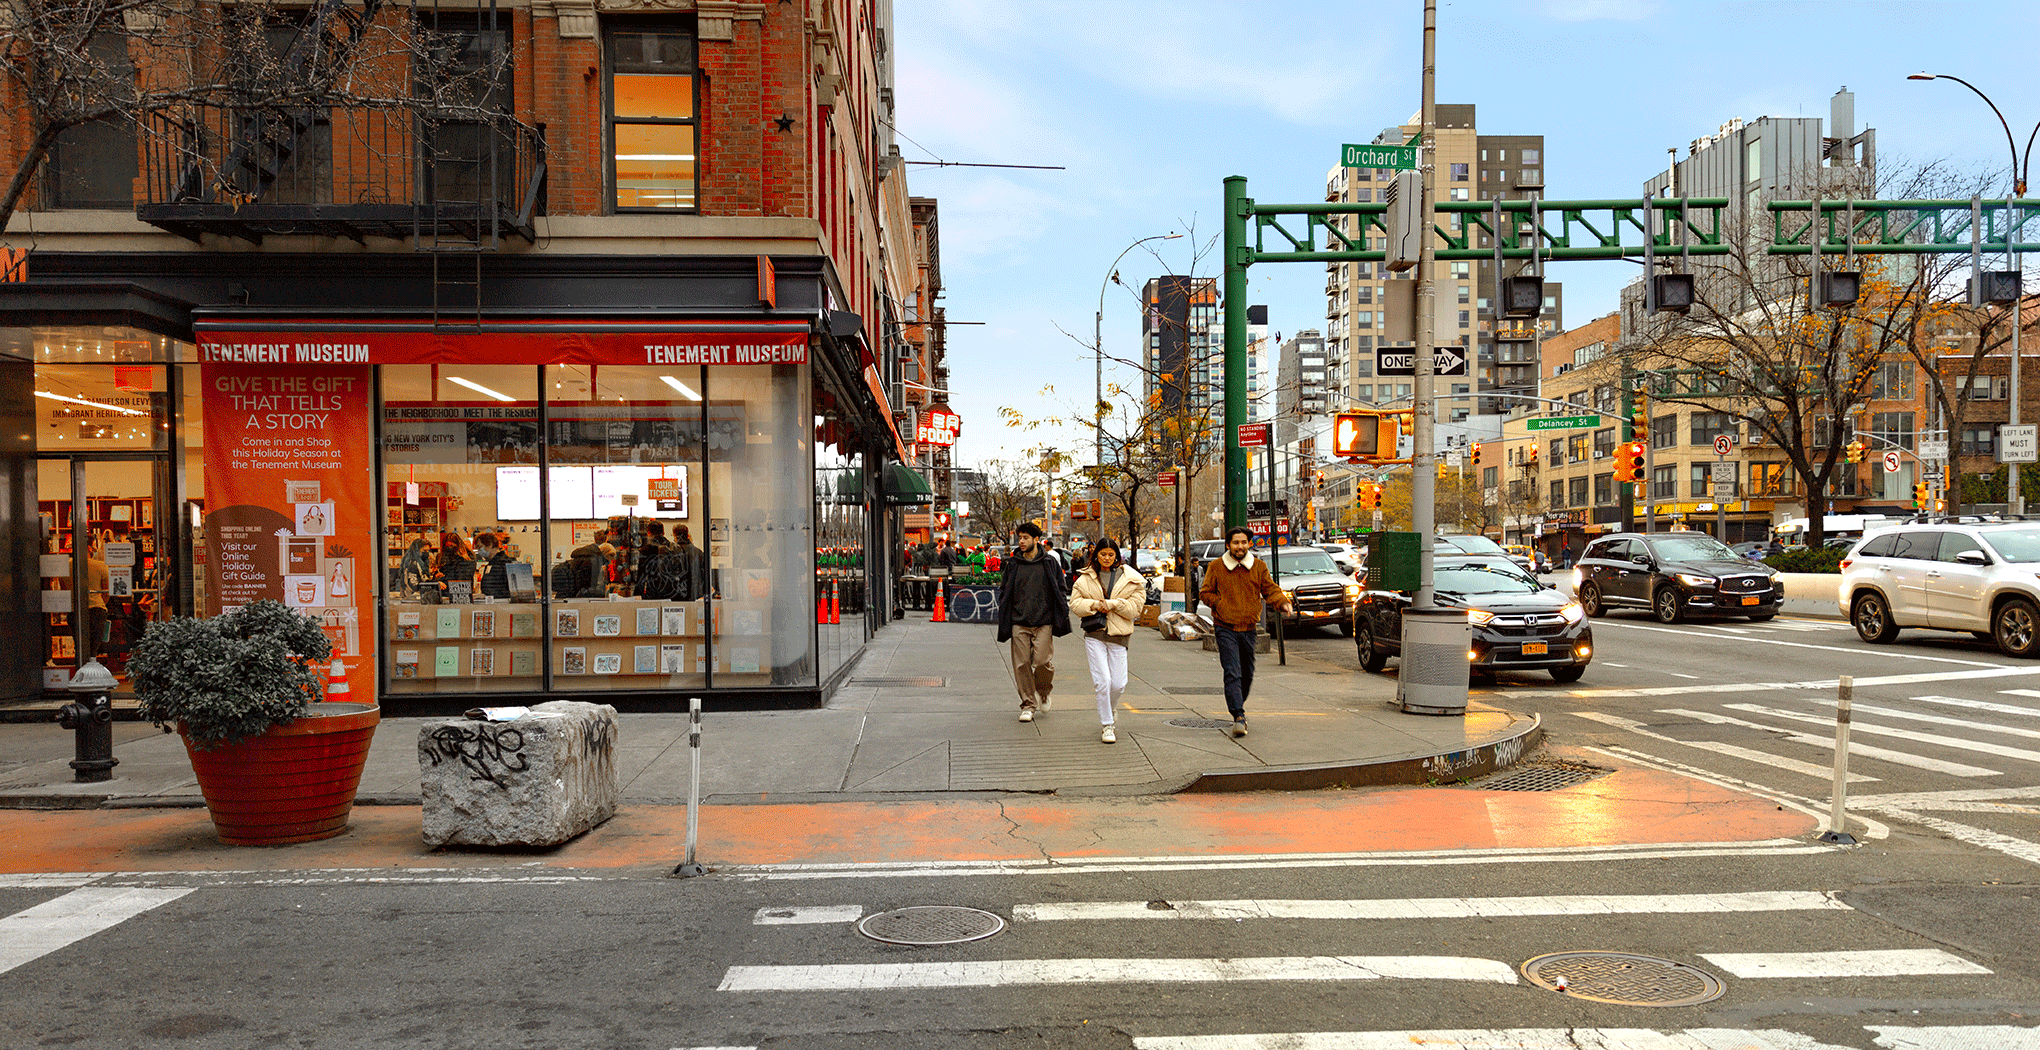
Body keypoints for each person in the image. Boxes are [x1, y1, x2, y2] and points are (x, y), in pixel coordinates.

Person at [1198, 526, 1290, 738]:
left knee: (1247, 673)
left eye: (1243, 542)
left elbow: (1270, 590)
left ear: (1249, 544)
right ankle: (1238, 715)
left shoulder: (1258, 567)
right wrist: (1220, 604)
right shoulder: (1216, 567)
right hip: (1225, 627)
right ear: (1228, 545)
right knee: (1232, 671)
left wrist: (1282, 602)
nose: (1240, 546)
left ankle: (1238, 701)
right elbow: (1205, 593)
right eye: (1236, 543)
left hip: (1248, 629)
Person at [1070, 537, 1146, 744]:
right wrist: (1095, 605)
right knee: (1102, 681)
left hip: (1119, 635)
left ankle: (1110, 709)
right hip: (1095, 634)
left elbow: (1135, 609)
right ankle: (1107, 724)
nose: (1106, 558)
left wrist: (1112, 604)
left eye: (1111, 554)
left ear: (1117, 556)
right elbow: (1075, 604)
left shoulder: (1132, 579)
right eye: (1102, 554)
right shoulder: (1085, 578)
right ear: (1096, 555)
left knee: (1119, 683)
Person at [994, 521, 1070, 722]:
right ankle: (1028, 704)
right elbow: (1005, 591)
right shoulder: (1014, 564)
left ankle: (1044, 691)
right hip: (1019, 621)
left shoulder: (1049, 563)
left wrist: (1061, 612)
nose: (1022, 541)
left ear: (1037, 540)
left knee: (1042, 661)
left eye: (1026, 537)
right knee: (1022, 664)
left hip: (1044, 621)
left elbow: (1060, 589)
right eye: (1020, 538)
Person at [432, 531, 476, 601]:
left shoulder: (467, 558)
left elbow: (462, 577)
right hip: (446, 594)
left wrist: (443, 578)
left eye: (451, 546)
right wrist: (437, 578)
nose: (449, 549)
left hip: (462, 594)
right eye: (447, 547)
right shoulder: (443, 557)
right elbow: (439, 574)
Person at [476, 532, 512, 599]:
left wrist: (487, 596)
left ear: (490, 545)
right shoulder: (491, 564)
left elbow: (506, 590)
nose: (479, 551)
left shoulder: (504, 563)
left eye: (480, 547)